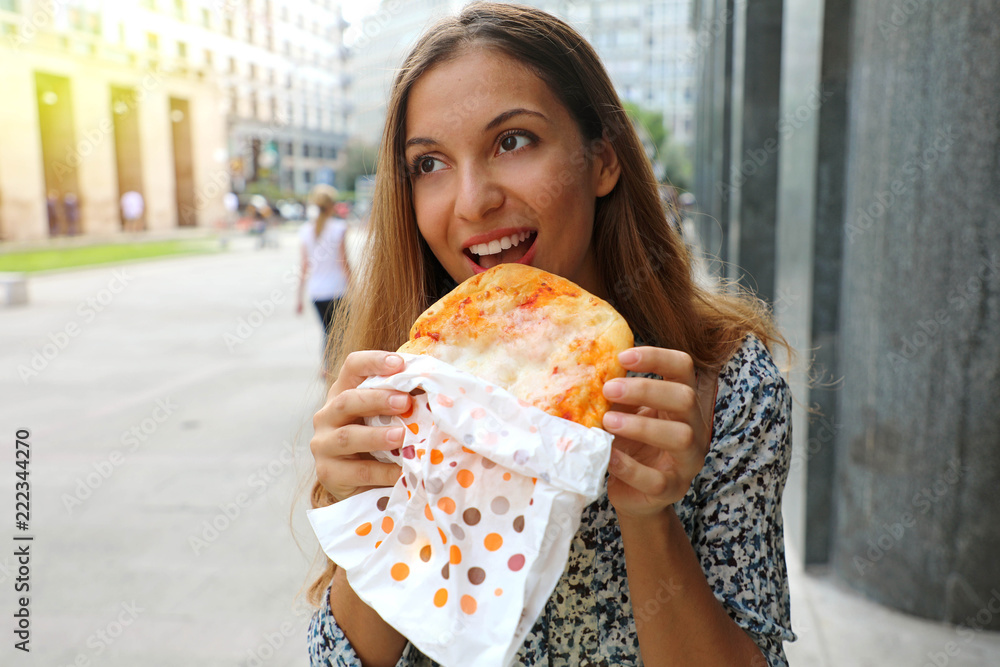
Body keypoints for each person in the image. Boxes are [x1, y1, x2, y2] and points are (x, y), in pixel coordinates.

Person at [306, 3, 795, 665]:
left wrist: (651, 516)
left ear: (603, 160)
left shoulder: (723, 386)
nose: (472, 201)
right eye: (430, 164)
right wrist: (369, 505)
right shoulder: (413, 395)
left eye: (512, 141)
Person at [297, 184, 351, 372]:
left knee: (328, 331)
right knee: (340, 332)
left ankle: (328, 367)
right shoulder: (339, 228)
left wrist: (299, 297)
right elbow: (344, 262)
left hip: (316, 292)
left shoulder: (305, 230)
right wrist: (355, 288)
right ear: (332, 206)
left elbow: (304, 267)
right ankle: (337, 368)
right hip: (338, 290)